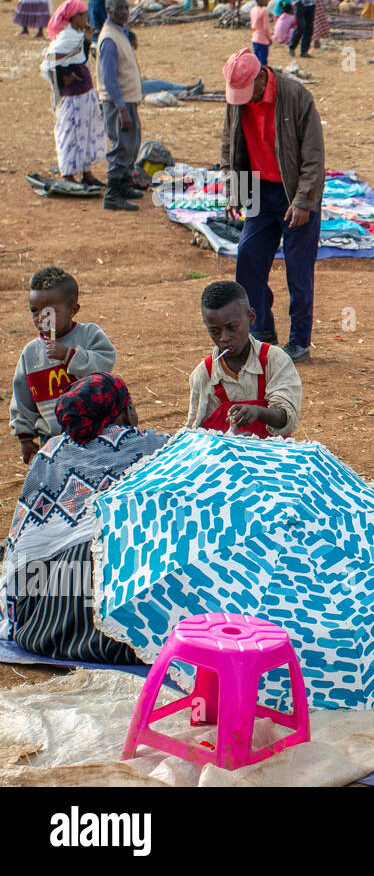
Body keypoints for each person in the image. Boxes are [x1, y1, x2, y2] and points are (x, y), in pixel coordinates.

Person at [1, 373, 168, 663]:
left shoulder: (49, 454)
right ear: (125, 410)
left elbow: (23, 543)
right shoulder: (155, 447)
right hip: (123, 613)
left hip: (48, 623)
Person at [221, 48, 325, 363]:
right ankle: (262, 331)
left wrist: (304, 200)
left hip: (292, 191)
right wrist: (234, 190)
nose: (240, 99)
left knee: (298, 269)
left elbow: (314, 154)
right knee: (248, 258)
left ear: (261, 76)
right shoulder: (237, 101)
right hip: (257, 190)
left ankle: (299, 342)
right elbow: (230, 145)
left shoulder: (295, 95)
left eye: (245, 91)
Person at [10, 266, 117, 463]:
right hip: (52, 440)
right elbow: (22, 399)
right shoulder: (31, 353)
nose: (41, 318)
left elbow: (105, 364)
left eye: (49, 312)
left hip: (96, 432)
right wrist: (24, 437)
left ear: (72, 310)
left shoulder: (88, 335)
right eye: (34, 311)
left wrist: (69, 355)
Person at [185, 280, 303, 437]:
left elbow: (288, 418)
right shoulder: (204, 376)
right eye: (214, 331)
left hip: (273, 456)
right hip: (224, 459)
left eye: (231, 328)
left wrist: (259, 412)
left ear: (251, 317)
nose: (224, 338)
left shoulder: (274, 360)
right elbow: (197, 435)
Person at [41, 0, 105, 186]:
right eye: (82, 15)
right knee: (69, 132)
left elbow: (80, 58)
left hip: (84, 92)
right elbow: (49, 63)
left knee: (85, 130)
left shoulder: (76, 35)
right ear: (73, 17)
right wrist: (64, 76)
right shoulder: (67, 36)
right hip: (72, 94)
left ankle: (86, 172)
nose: (85, 18)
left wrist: (86, 41)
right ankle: (68, 174)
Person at [93, 0, 142, 211]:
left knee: (131, 144)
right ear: (109, 11)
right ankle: (112, 195)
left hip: (127, 99)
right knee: (121, 147)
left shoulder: (120, 33)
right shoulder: (109, 40)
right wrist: (121, 108)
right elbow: (109, 78)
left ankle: (122, 185)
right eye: (118, 9)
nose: (123, 12)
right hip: (117, 102)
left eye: (126, 8)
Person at [249, 0, 271, 65]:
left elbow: (253, 25)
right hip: (263, 40)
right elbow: (266, 28)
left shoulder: (253, 10)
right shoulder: (264, 11)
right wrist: (269, 38)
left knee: (257, 61)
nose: (267, 1)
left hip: (255, 39)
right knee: (263, 62)